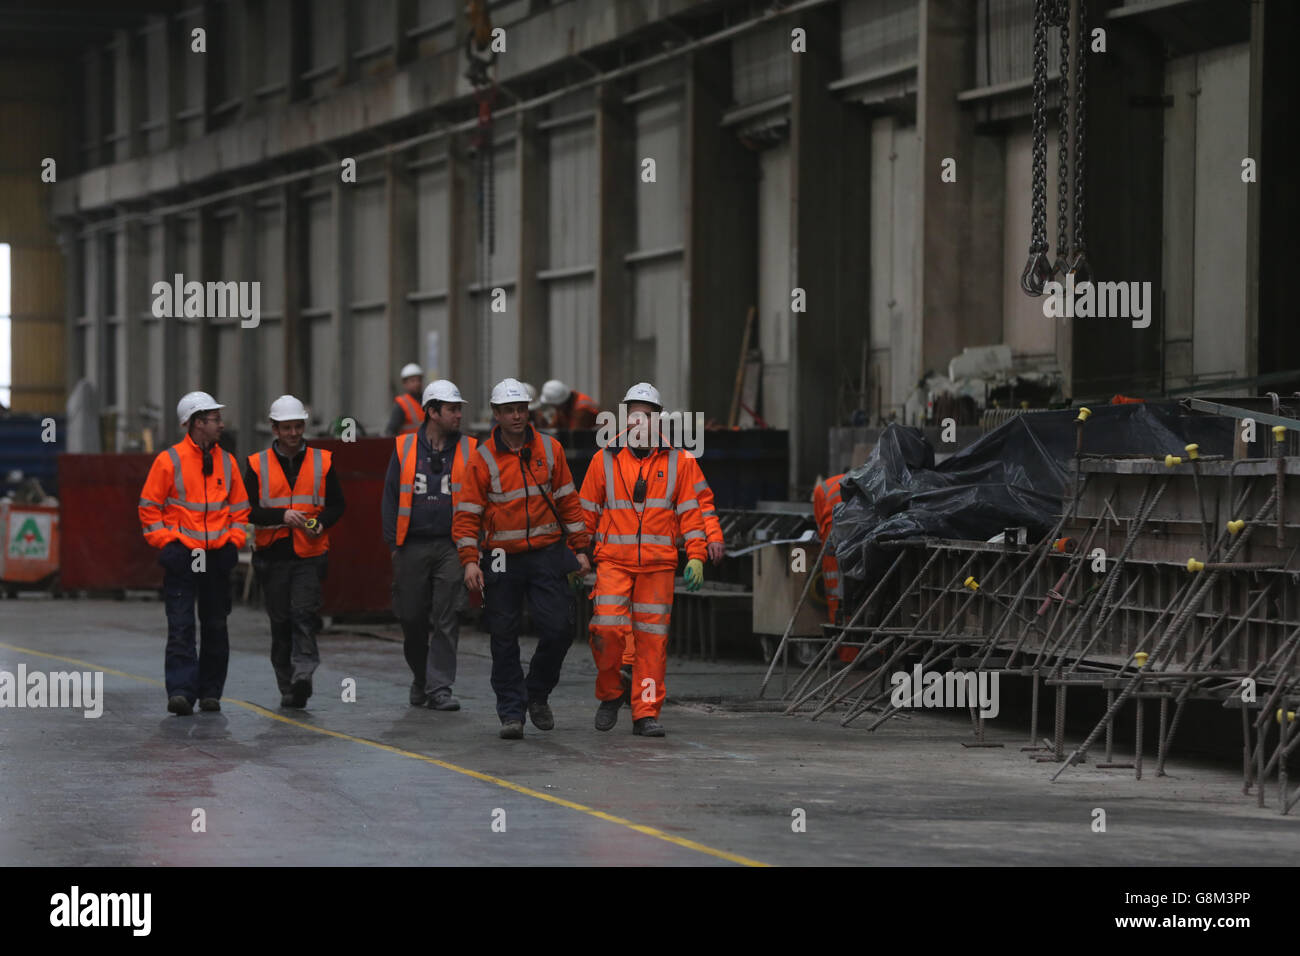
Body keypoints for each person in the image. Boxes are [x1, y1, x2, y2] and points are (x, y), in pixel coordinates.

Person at [452, 378, 590, 739]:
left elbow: (568, 502)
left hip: (546, 552)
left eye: (521, 409)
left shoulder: (551, 449)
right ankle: (511, 712)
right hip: (499, 556)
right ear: (496, 414)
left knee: (559, 628)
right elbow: (467, 513)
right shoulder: (482, 458)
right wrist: (469, 560)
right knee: (503, 634)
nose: (516, 416)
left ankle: (537, 692)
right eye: (509, 410)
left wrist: (580, 548)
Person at [578, 382, 708, 737]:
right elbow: (585, 512)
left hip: (658, 566)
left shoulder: (679, 461)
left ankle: (645, 714)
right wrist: (576, 553)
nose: (639, 422)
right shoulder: (604, 458)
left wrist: (696, 555)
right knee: (605, 629)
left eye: (646, 415)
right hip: (613, 563)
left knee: (652, 645)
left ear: (657, 420)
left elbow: (692, 514)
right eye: (633, 414)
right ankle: (611, 692)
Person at [138, 391, 250, 715]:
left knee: (216, 625)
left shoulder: (227, 462)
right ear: (198, 423)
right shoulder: (168, 461)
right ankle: (182, 692)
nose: (221, 424)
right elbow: (149, 508)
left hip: (215, 556)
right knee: (181, 625)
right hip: (184, 556)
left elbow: (240, 509)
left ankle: (211, 692)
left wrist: (233, 541)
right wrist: (166, 544)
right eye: (215, 419)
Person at [243, 395, 345, 708]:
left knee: (304, 614)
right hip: (272, 557)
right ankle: (287, 682)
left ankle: (303, 674)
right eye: (286, 427)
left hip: (309, 554)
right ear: (274, 429)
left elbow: (337, 504)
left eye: (298, 426)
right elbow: (247, 510)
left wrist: (320, 523)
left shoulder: (322, 461)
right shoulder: (256, 465)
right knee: (281, 622)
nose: (293, 433)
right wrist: (281, 516)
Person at [382, 380, 477, 710]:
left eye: (459, 409)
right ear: (432, 412)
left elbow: (480, 498)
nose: (459, 415)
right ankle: (421, 677)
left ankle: (440, 688)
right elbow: (390, 497)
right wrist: (394, 545)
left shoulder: (470, 449)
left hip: (452, 546)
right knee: (411, 619)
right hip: (412, 546)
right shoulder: (404, 447)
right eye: (452, 409)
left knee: (448, 617)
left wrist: (472, 551)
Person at [385, 363, 425, 436]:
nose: (417, 383)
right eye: (413, 381)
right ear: (405, 384)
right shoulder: (401, 405)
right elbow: (390, 432)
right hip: (409, 446)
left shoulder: (427, 400)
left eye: (419, 380)